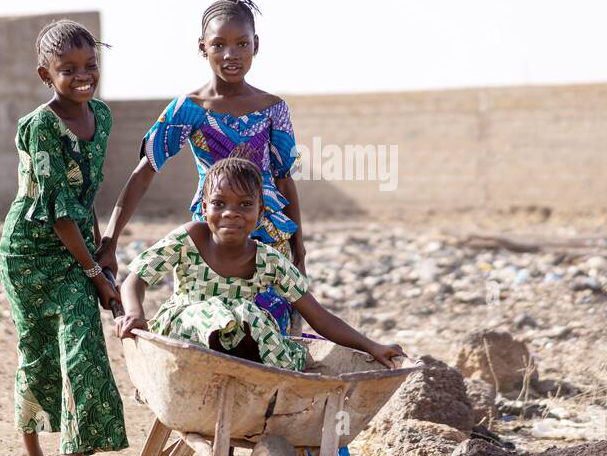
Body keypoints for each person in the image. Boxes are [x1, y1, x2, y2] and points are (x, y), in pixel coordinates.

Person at [95, 0, 305, 333]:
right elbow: (144, 172)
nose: (231, 54)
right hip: (211, 238)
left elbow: (284, 179)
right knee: (207, 324)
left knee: (267, 331)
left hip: (267, 237)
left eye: (241, 43)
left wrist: (300, 252)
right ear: (202, 47)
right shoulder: (190, 109)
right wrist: (110, 241)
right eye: (219, 44)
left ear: (256, 45)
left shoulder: (273, 109)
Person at [0, 19, 128, 456]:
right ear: (45, 74)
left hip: (77, 251)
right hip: (30, 253)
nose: (82, 76)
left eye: (89, 65)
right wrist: (96, 273)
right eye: (68, 69)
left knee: (83, 355)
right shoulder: (39, 125)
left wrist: (101, 257)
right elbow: (56, 211)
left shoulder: (102, 116)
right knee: (38, 356)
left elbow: (86, 197)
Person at [114, 157, 404, 374]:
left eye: (244, 205)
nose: (230, 213)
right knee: (212, 311)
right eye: (218, 203)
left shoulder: (268, 260)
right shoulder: (190, 237)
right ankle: (231, 368)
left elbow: (319, 317)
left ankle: (249, 372)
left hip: (243, 337)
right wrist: (135, 314)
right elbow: (135, 279)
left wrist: (372, 346)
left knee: (252, 314)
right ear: (204, 209)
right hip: (186, 337)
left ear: (260, 212)